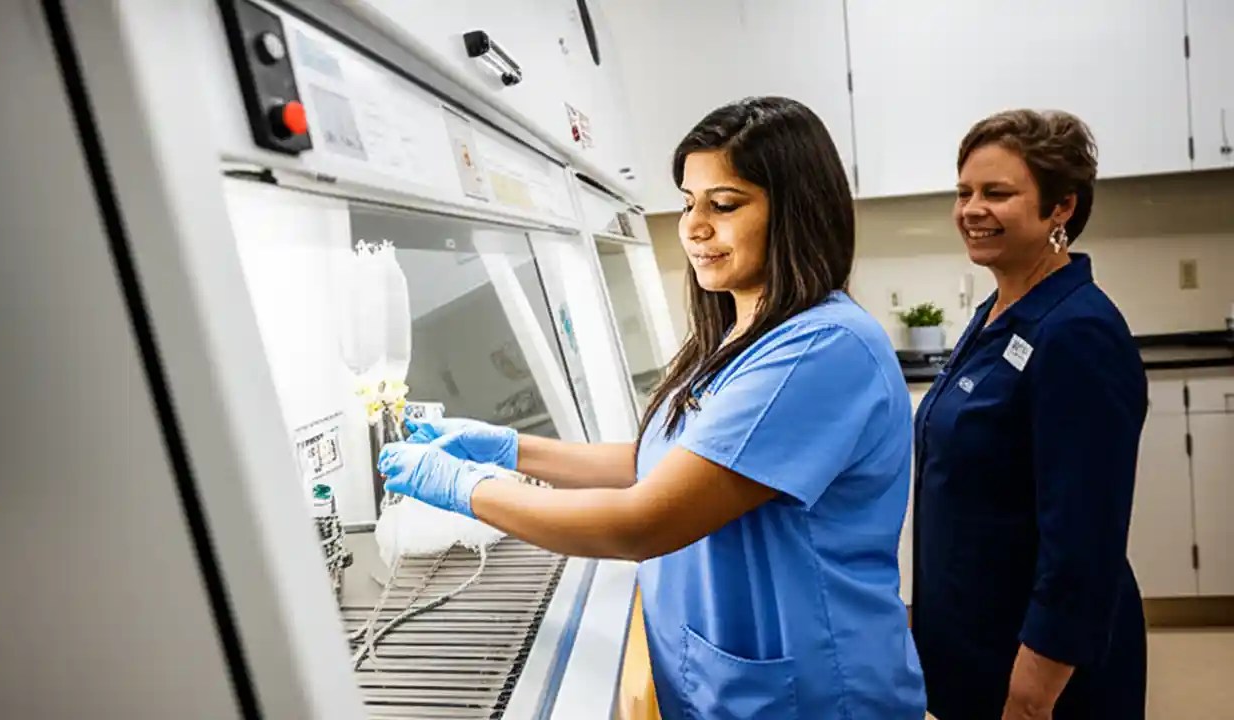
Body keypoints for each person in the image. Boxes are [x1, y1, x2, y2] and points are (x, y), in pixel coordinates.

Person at [377, 96, 926, 718]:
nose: (693, 226)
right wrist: (509, 447)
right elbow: (663, 462)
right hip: (735, 677)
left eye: (724, 205)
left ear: (797, 212)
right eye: (688, 202)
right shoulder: (740, 333)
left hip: (811, 693)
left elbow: (642, 523)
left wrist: (464, 487)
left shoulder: (822, 350)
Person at [912, 109, 1147, 720]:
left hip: (1042, 670)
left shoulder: (1079, 332)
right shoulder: (999, 310)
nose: (971, 209)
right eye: (963, 192)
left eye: (997, 193)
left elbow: (1084, 539)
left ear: (1061, 207)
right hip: (978, 644)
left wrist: (1033, 692)